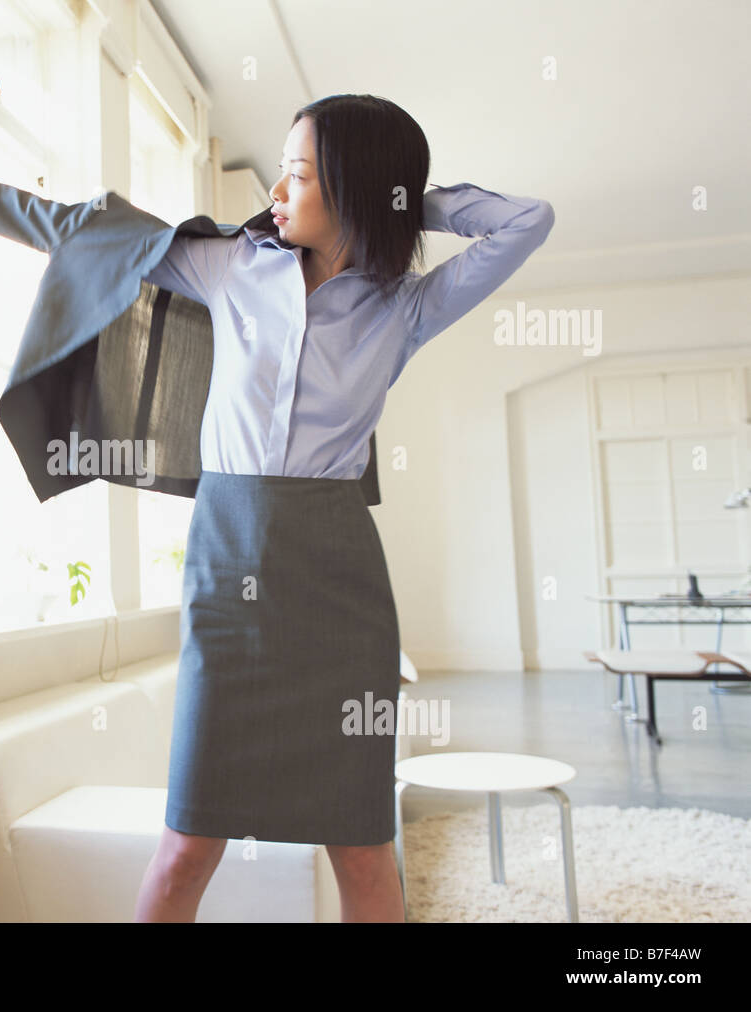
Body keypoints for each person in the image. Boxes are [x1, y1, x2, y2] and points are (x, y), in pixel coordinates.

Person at [131, 94, 554, 923]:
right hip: (226, 585)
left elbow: (528, 221)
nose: (278, 192)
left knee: (362, 847)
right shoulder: (225, 266)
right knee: (186, 843)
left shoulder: (404, 307)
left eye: (297, 174)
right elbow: (94, 240)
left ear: (350, 189)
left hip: (341, 596)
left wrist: (394, 197)